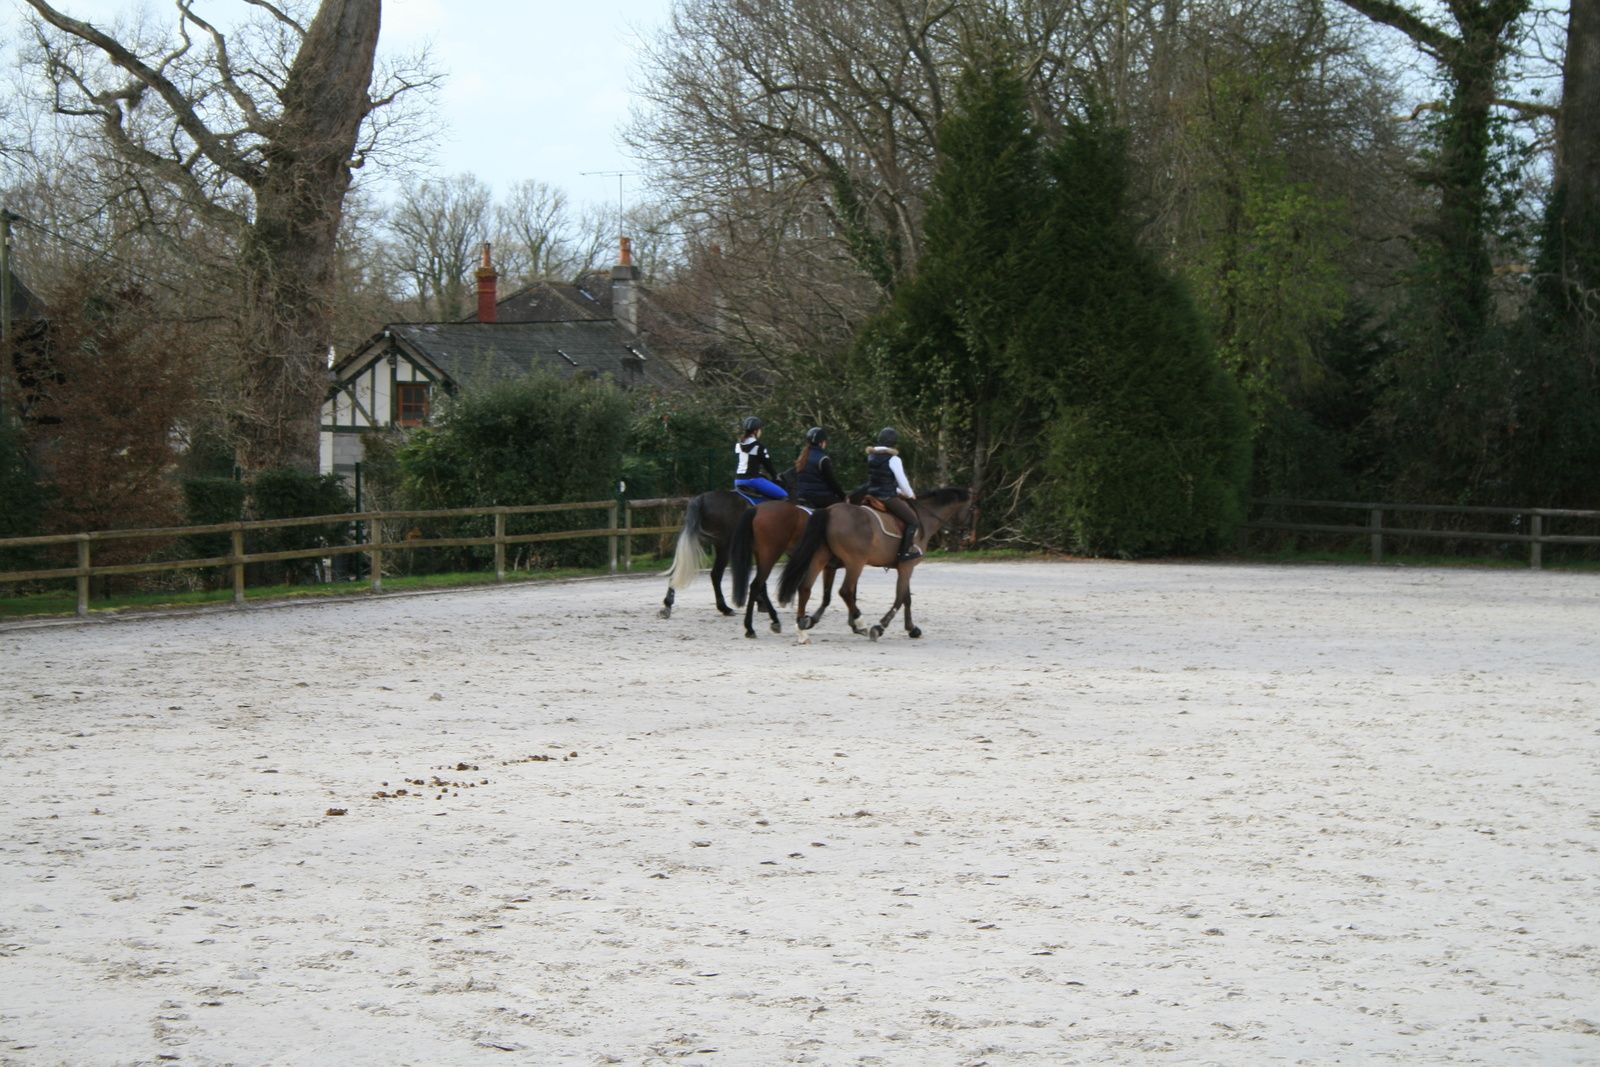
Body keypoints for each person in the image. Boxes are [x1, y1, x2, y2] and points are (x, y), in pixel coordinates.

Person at [864, 426, 920, 560]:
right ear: (893, 442)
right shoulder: (894, 459)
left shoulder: (871, 456)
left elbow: (882, 480)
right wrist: (909, 493)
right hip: (886, 496)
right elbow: (902, 481)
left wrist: (899, 491)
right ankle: (904, 552)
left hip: (871, 493)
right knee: (913, 521)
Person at [733, 416, 788, 501]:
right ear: (755, 431)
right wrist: (775, 477)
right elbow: (768, 465)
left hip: (738, 481)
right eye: (760, 430)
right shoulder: (759, 446)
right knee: (783, 494)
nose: (760, 432)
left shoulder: (738, 445)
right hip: (752, 480)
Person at [792, 426, 847, 509]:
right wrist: (843, 496)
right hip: (819, 497)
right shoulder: (823, 458)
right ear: (822, 443)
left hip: (802, 495)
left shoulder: (802, 457)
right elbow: (832, 482)